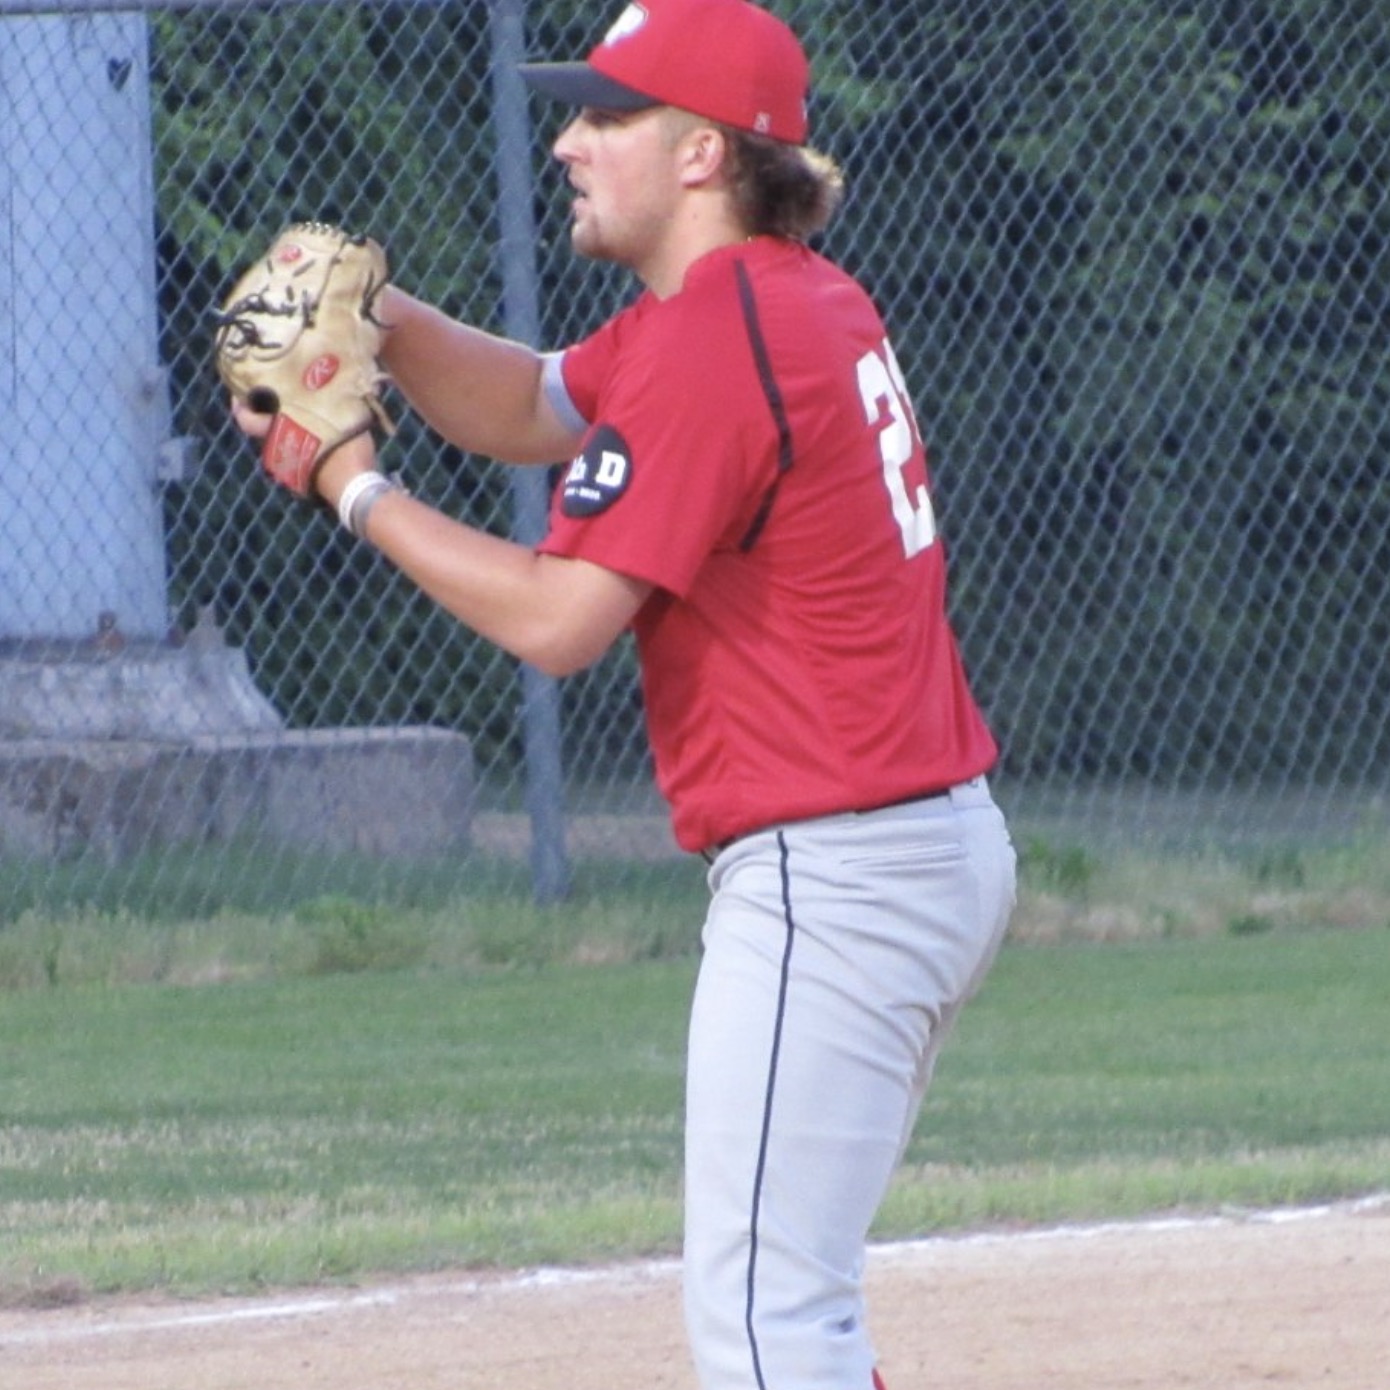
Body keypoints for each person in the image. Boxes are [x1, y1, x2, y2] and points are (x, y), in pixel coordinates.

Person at [233, 1, 1016, 1385]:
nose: (568, 141)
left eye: (608, 115)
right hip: (908, 847)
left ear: (703, 153)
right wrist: (385, 318)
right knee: (795, 1303)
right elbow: (539, 399)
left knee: (772, 1325)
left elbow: (558, 622)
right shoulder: (781, 300)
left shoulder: (717, 336)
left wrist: (350, 480)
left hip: (835, 874)